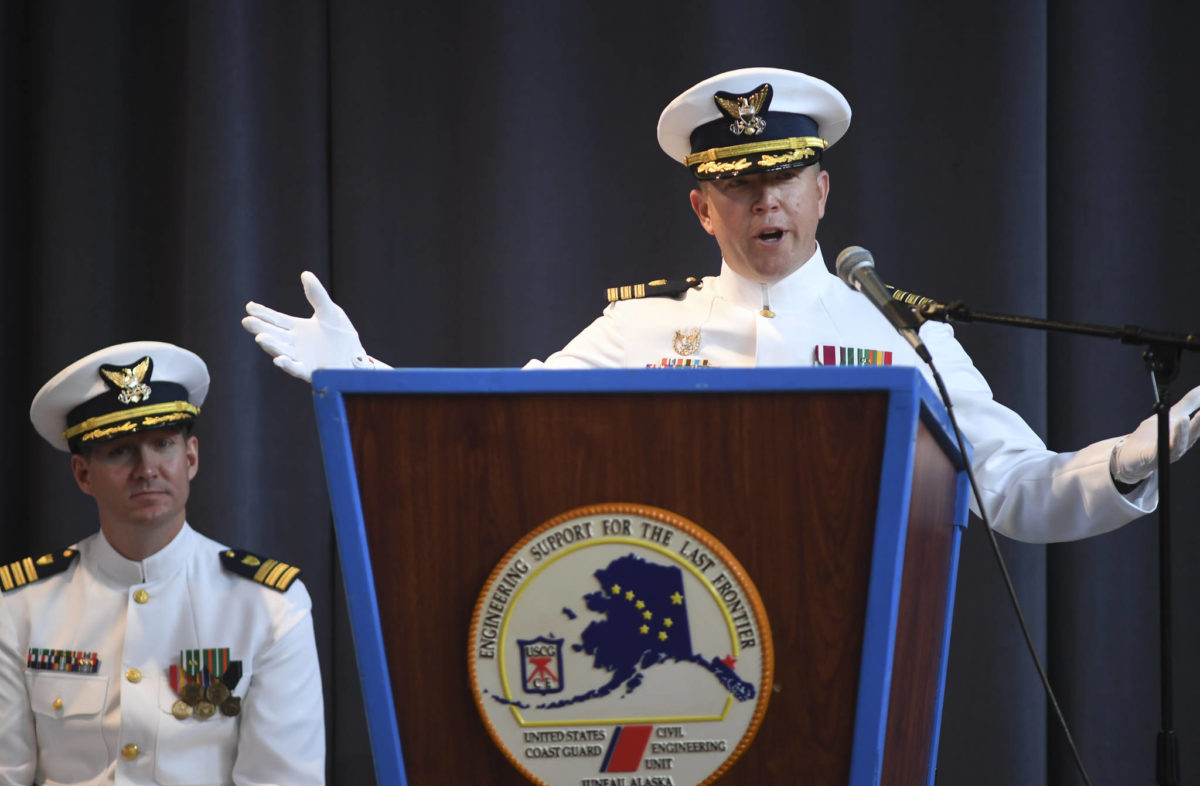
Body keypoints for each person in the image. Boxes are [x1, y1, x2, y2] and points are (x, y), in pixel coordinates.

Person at [239, 67, 1200, 544]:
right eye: (740, 185)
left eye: (784, 176)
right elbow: (497, 426)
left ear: (822, 192)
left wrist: (1127, 459)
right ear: (704, 208)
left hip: (853, 648)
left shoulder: (903, 331)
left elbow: (1012, 486)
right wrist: (356, 378)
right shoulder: (639, 329)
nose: (765, 200)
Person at [0, 342, 325, 786]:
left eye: (163, 444)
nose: (147, 468)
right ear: (82, 474)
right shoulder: (19, 607)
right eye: (119, 451)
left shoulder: (269, 606)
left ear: (190, 457)